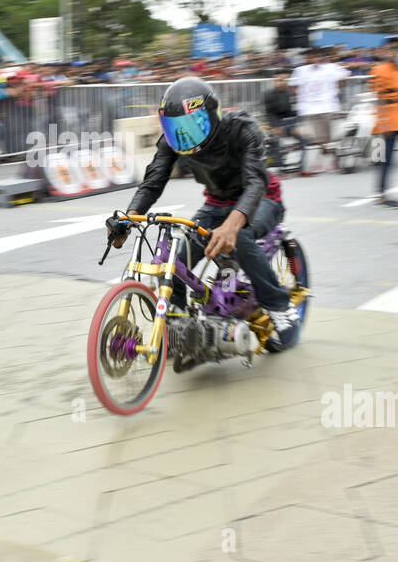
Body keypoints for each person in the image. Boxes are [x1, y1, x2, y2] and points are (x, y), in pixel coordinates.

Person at [107, 76, 302, 352]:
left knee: (242, 238)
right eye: (175, 129)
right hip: (215, 204)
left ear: (212, 115)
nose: (182, 135)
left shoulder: (244, 129)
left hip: (262, 200)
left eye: (190, 125)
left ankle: (280, 307)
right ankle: (176, 326)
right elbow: (153, 181)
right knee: (174, 259)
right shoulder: (173, 142)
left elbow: (256, 183)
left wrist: (232, 225)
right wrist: (129, 217)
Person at [289, 47, 349, 174]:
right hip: (310, 108)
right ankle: (332, 158)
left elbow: (345, 76)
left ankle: (324, 161)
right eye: (311, 56)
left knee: (326, 137)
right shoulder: (300, 71)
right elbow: (293, 86)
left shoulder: (330, 68)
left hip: (328, 106)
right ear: (307, 58)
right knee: (321, 138)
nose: (314, 58)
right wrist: (300, 97)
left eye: (317, 56)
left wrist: (338, 89)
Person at [369, 38, 398, 208]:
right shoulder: (379, 70)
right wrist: (384, 123)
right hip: (384, 122)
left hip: (396, 121)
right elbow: (379, 99)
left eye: (397, 49)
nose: (395, 52)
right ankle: (382, 195)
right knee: (383, 160)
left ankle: (382, 193)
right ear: (385, 51)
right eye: (391, 49)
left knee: (387, 160)